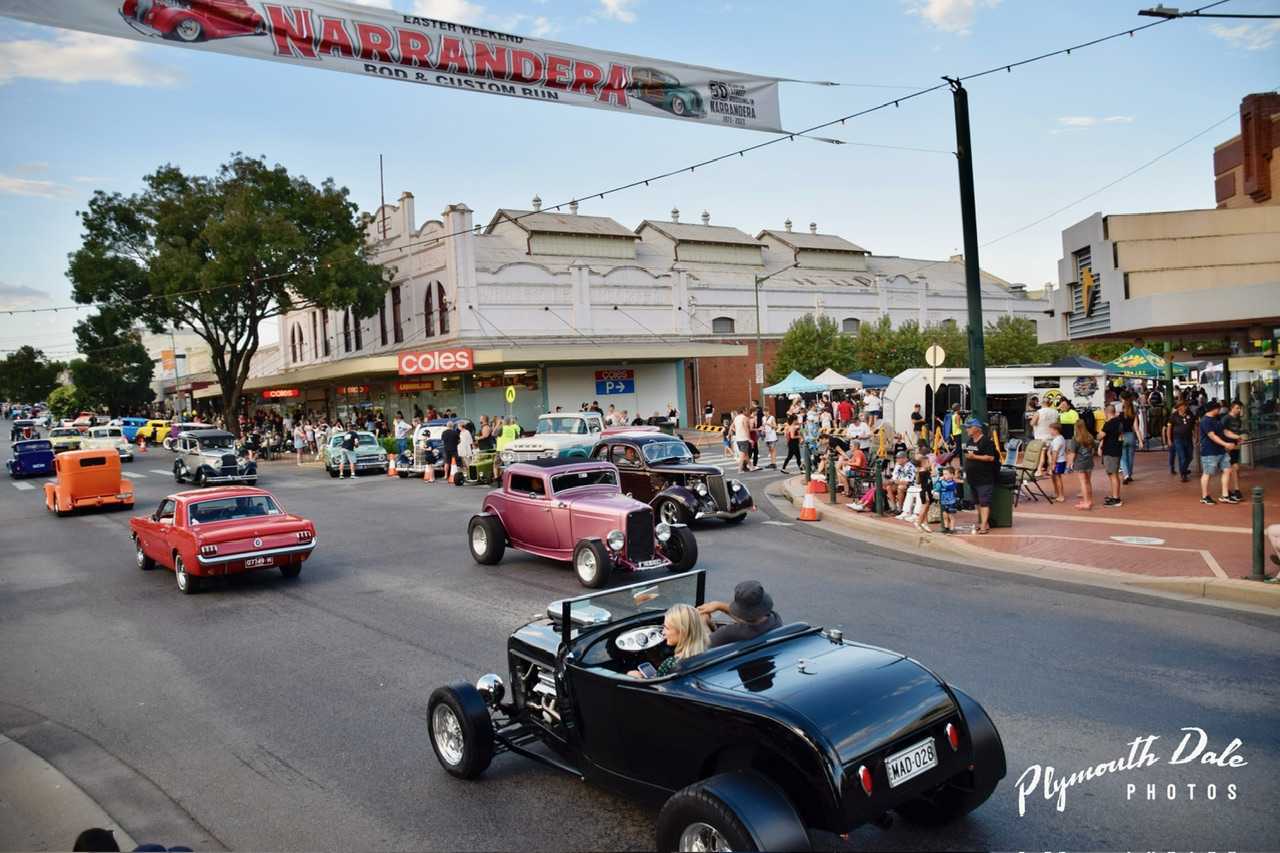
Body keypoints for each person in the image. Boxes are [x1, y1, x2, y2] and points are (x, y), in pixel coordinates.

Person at [627, 604, 710, 678]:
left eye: (667, 628)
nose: (663, 632)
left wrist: (638, 678)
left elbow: (656, 685)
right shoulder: (709, 651)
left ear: (682, 632)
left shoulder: (670, 664)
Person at [697, 580, 782, 648]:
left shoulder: (728, 633)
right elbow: (751, 623)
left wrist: (703, 621)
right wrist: (719, 605)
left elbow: (704, 645)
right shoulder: (775, 620)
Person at [960, 418, 998, 533]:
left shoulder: (987, 442)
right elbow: (967, 454)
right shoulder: (970, 441)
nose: (967, 430)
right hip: (972, 477)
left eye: (969, 427)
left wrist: (975, 457)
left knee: (984, 502)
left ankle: (984, 525)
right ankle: (983, 522)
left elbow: (991, 457)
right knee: (976, 502)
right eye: (966, 427)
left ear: (977, 428)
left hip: (984, 478)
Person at [1198, 400, 1238, 504]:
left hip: (1221, 451)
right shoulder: (1205, 421)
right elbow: (1212, 436)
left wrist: (1236, 436)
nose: (1220, 410)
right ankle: (1205, 496)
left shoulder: (1217, 419)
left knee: (1227, 470)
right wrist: (1226, 444)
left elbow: (1225, 431)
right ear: (1214, 409)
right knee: (1208, 473)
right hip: (1209, 451)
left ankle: (1225, 495)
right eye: (1218, 408)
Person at [1066, 420, 1096, 510]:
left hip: (1080, 462)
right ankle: (1089, 500)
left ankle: (1086, 502)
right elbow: (1093, 449)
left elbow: (1073, 453)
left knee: (1083, 482)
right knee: (1088, 482)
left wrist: (1069, 463)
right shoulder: (1090, 436)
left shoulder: (1075, 438)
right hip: (1089, 461)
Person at [1099, 404, 1125, 507]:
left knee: (1113, 475)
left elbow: (1100, 435)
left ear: (1107, 412)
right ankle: (1114, 496)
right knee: (1112, 474)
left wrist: (1097, 436)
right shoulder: (1119, 422)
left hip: (1110, 451)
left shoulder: (1109, 423)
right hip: (1117, 450)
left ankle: (1116, 499)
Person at [1164, 398, 1195, 482]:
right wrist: (1169, 440)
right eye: (1182, 406)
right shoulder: (1173, 416)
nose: (1184, 407)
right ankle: (1183, 474)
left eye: (1185, 406)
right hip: (1178, 439)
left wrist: (1196, 437)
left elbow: (1194, 426)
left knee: (1190, 456)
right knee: (1182, 457)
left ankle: (1184, 468)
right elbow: (1169, 428)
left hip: (1188, 438)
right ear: (1178, 408)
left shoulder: (1190, 414)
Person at [1223, 400, 1246, 502]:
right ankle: (1229, 490)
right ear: (1232, 408)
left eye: (1240, 408)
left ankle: (1235, 490)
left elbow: (1237, 431)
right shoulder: (1226, 418)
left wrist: (1240, 436)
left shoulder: (1238, 419)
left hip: (1235, 446)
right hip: (1227, 446)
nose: (1239, 410)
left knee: (1234, 467)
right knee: (1230, 468)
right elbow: (1224, 432)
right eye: (1237, 408)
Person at [1031, 397, 1059, 475]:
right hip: (1052, 436)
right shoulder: (1055, 412)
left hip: (1041, 437)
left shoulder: (1039, 412)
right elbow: (1057, 424)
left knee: (1042, 454)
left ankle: (1039, 470)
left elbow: (1033, 423)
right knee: (1049, 453)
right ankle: (1050, 469)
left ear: (1042, 403)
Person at [1119, 395, 1142, 484]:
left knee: (1123, 457)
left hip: (1122, 436)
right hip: (1131, 436)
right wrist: (1140, 441)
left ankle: (1126, 474)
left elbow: (1118, 428)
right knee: (1131, 457)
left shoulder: (1120, 416)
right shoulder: (1134, 415)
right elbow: (1136, 428)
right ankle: (1130, 474)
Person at [934, 466, 959, 534]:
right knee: (945, 515)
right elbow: (936, 486)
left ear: (952, 475)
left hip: (951, 502)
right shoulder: (942, 481)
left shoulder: (953, 483)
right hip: (943, 501)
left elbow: (947, 486)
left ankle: (952, 528)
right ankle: (946, 527)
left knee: (951, 516)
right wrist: (938, 481)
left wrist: (941, 480)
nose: (944, 476)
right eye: (943, 474)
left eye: (946, 474)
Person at [1047, 421, 1067, 502]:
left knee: (1058, 478)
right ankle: (1056, 493)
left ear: (1056, 430)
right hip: (1056, 461)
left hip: (1058, 461)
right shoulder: (1057, 439)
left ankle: (1061, 496)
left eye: (1051, 430)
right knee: (1054, 477)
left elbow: (1055, 452)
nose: (1050, 431)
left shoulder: (1058, 440)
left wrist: (1053, 464)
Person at [732, 408, 752, 473]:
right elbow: (746, 429)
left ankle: (751, 467)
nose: (747, 411)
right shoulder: (744, 418)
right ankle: (739, 470)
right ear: (743, 411)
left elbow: (733, 427)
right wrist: (749, 438)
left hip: (738, 439)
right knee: (742, 455)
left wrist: (738, 431)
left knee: (746, 454)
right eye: (746, 410)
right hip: (744, 438)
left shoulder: (736, 418)